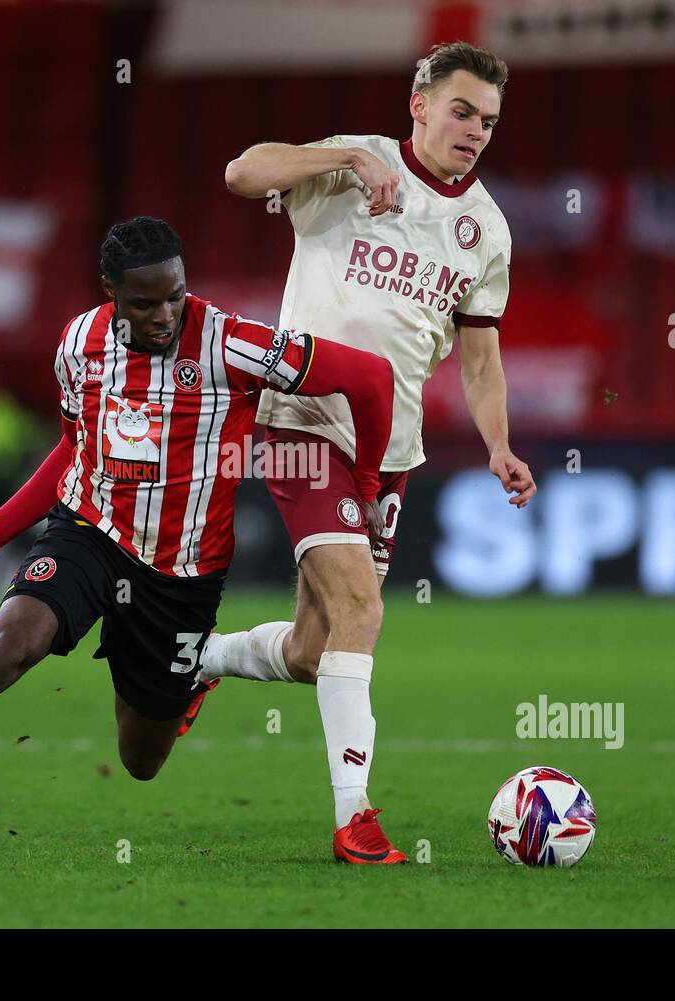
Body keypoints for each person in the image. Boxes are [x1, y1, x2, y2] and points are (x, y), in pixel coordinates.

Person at [0, 216, 394, 864]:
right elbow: (72, 449)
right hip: (89, 534)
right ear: (110, 292)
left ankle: (201, 668)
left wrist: (366, 481)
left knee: (142, 758)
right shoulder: (79, 344)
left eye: (175, 295)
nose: (165, 314)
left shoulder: (233, 345)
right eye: (146, 302)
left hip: (181, 578)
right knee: (3, 652)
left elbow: (370, 378)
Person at [188, 42, 538, 863]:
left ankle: (199, 660)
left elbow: (480, 359)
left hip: (392, 452)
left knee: (319, 650)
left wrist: (499, 445)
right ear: (418, 103)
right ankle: (356, 820)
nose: (475, 131)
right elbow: (243, 173)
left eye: (488, 121)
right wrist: (345, 154)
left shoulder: (485, 229)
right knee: (365, 611)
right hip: (301, 422)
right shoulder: (354, 165)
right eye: (461, 111)